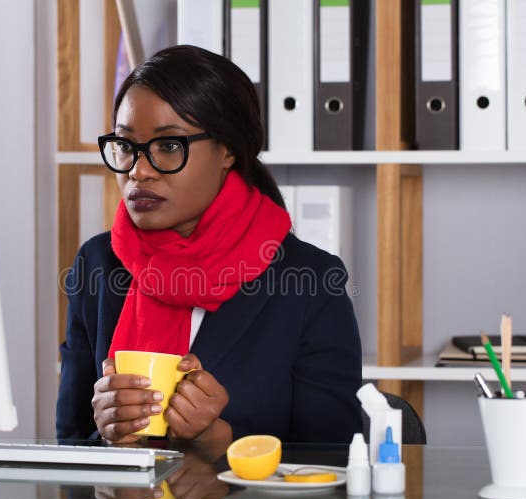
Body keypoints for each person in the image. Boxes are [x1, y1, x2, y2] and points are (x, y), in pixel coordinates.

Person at [56, 45, 362, 444]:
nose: (139, 171)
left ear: (228, 150)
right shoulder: (97, 264)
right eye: (126, 146)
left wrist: (220, 441)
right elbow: (70, 446)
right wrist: (108, 436)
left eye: (168, 146)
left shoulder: (311, 281)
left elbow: (337, 457)